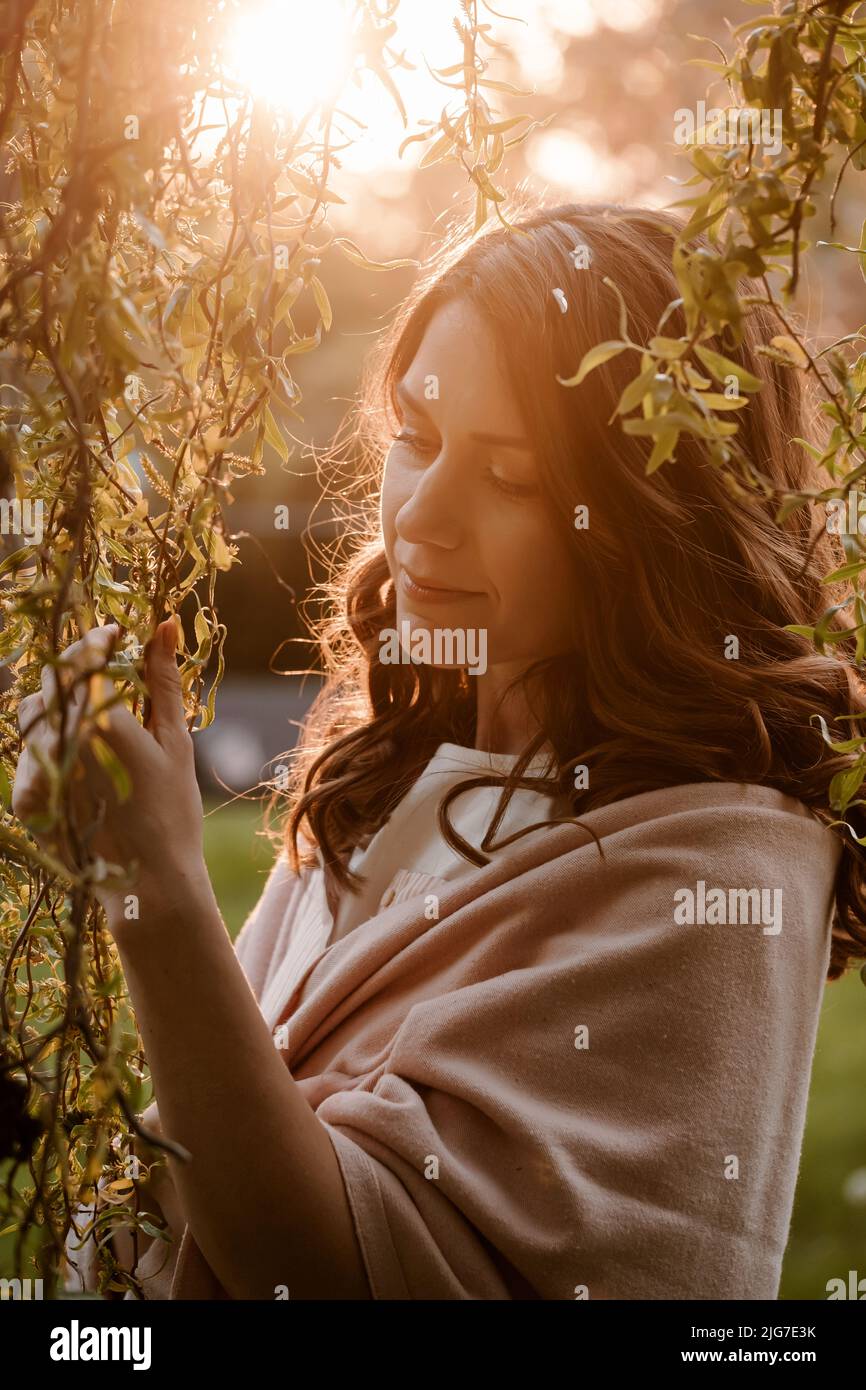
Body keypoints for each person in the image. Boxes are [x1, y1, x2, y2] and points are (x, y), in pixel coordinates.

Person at [15, 201, 866, 1301]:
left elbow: (328, 1271)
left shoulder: (716, 863)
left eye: (510, 477)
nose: (421, 514)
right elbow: (237, 1113)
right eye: (416, 436)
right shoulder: (394, 762)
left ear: (651, 519)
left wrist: (160, 892)